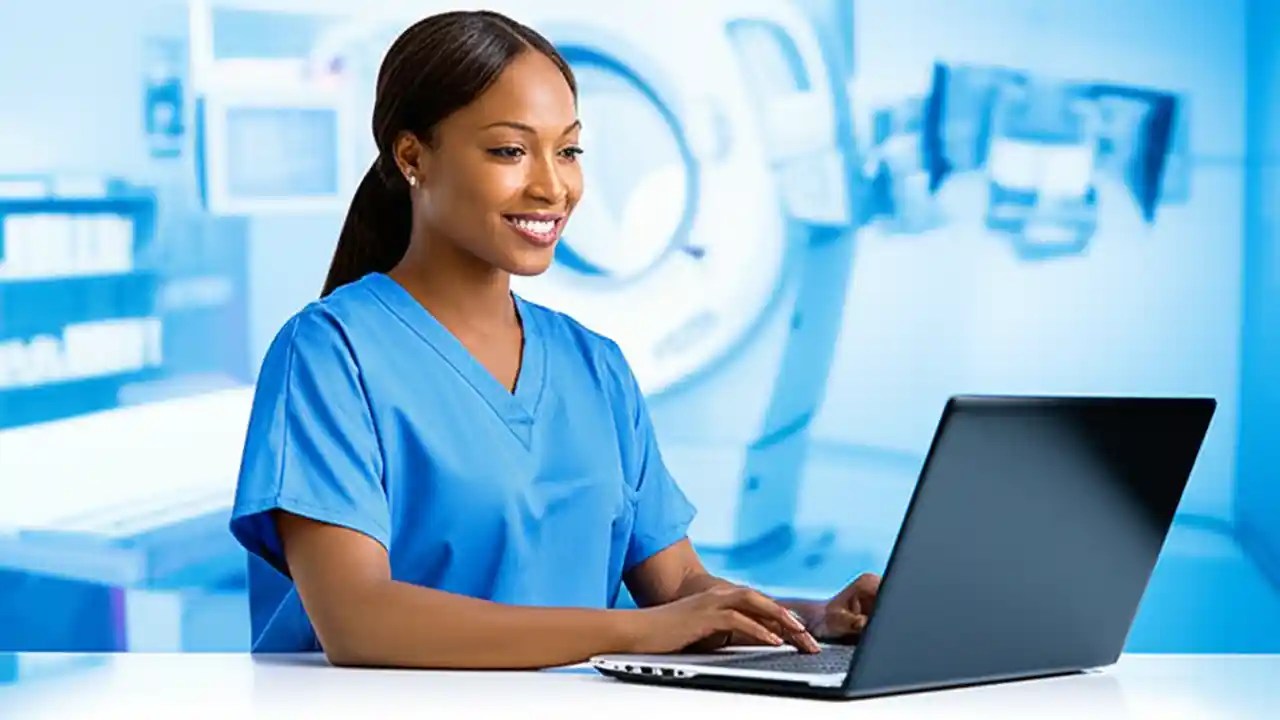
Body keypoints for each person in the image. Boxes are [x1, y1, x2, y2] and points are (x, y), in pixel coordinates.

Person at [229, 9, 881, 669]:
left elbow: (680, 589)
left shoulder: (595, 366)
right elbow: (358, 619)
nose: (553, 186)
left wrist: (814, 620)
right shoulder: (331, 353)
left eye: (568, 149)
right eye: (510, 150)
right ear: (411, 157)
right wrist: (629, 632)